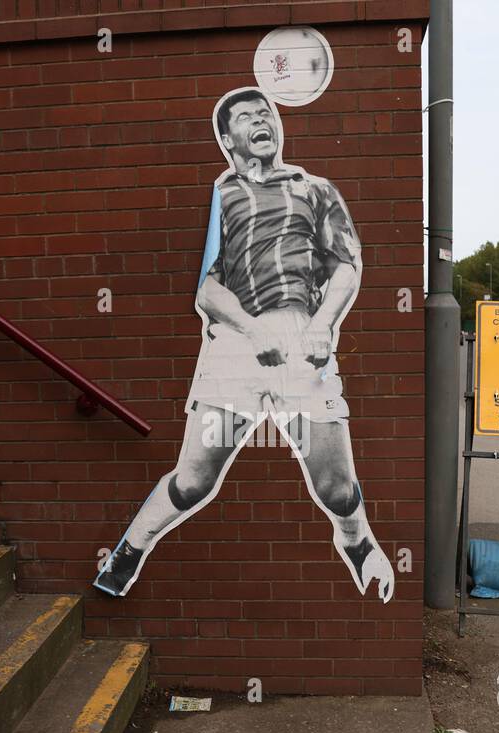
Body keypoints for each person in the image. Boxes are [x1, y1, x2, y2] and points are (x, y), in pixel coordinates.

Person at [94, 87, 394, 602]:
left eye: (267, 113)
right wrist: (253, 331)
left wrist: (323, 323)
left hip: (301, 335)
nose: (262, 120)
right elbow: (208, 289)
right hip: (235, 342)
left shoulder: (315, 188)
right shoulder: (223, 195)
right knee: (193, 481)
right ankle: (130, 548)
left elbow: (346, 265)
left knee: (336, 489)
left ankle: (355, 540)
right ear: (228, 139)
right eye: (247, 117)